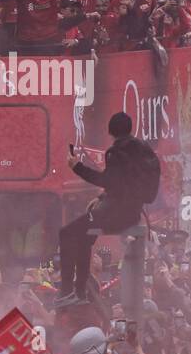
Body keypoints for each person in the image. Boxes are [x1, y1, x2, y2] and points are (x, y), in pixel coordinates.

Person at [57, 112, 160, 308]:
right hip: (132, 213)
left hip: (115, 214)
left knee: (67, 233)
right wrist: (102, 197)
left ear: (111, 131)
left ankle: (68, 290)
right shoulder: (145, 150)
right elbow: (125, 185)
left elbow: (107, 181)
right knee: (85, 236)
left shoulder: (116, 152)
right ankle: (80, 291)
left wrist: (76, 167)